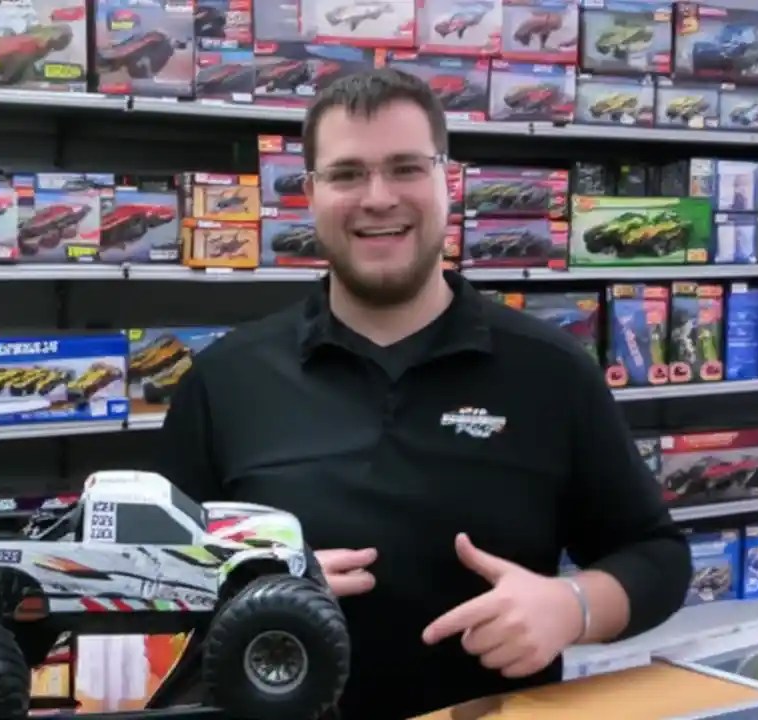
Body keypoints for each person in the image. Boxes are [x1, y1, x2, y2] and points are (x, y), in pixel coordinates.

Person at [154, 67, 692, 719]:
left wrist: (571, 607)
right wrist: (247, 589)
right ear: (312, 192)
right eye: (347, 174)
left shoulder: (552, 372)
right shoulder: (226, 379)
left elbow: (658, 557)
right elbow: (151, 578)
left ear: (447, 181)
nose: (378, 198)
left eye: (406, 167)